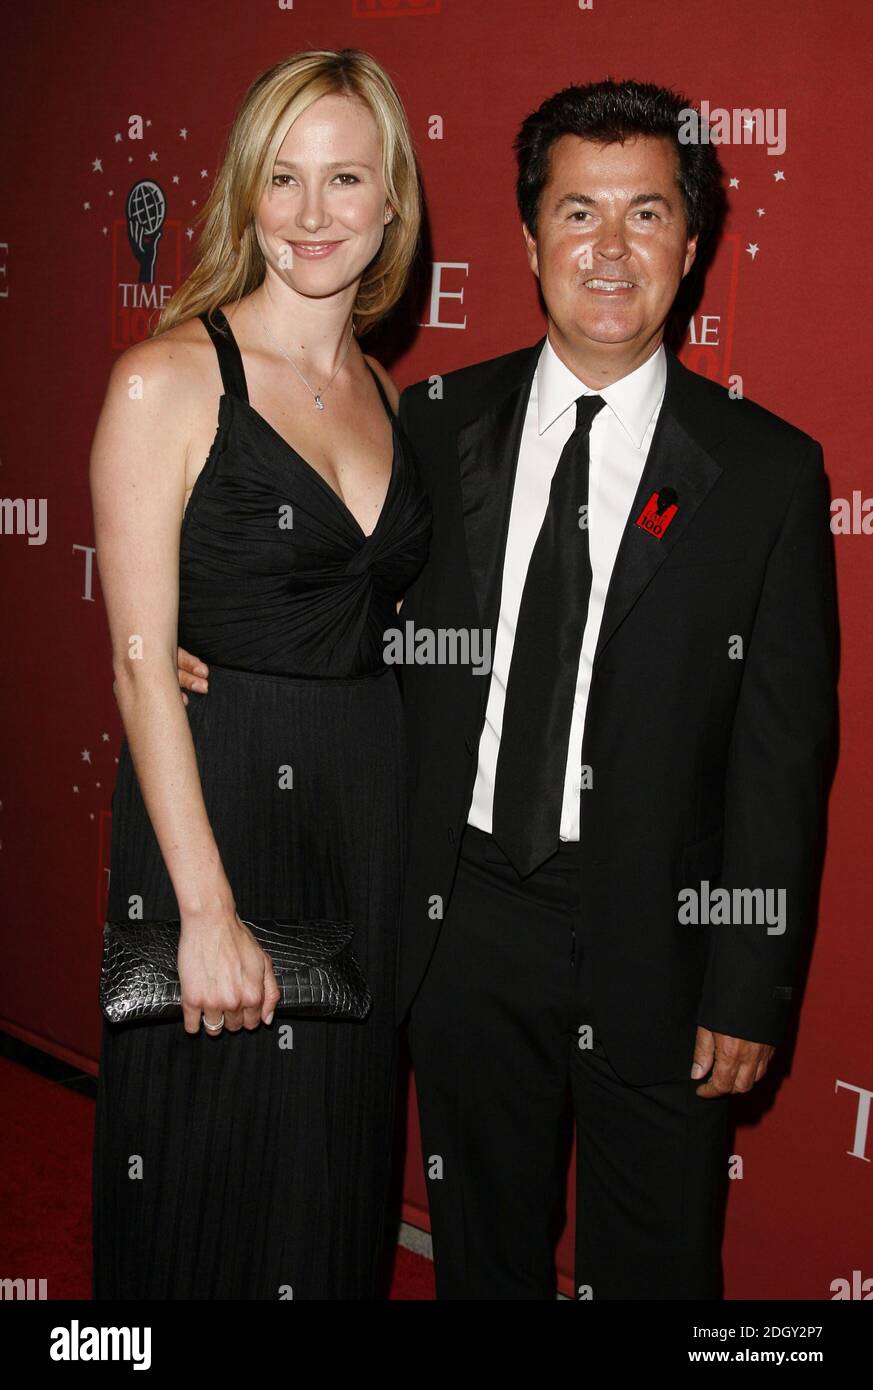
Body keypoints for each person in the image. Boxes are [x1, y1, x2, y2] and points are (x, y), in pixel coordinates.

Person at [178, 78, 838, 1300]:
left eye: (646, 214)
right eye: (577, 210)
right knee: (483, 1252)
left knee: (661, 1264)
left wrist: (752, 976)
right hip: (463, 921)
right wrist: (208, 639)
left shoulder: (768, 474)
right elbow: (340, 599)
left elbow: (782, 755)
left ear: (691, 248)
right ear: (530, 237)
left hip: (666, 938)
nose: (609, 247)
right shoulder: (428, 422)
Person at [91, 47, 431, 1300]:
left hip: (366, 815)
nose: (309, 214)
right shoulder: (169, 377)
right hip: (217, 801)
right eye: (280, 178)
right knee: (206, 1164)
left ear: (392, 199)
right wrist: (206, 910)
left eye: (345, 178)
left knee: (330, 1172)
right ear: (244, 195)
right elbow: (140, 669)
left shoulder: (386, 392)